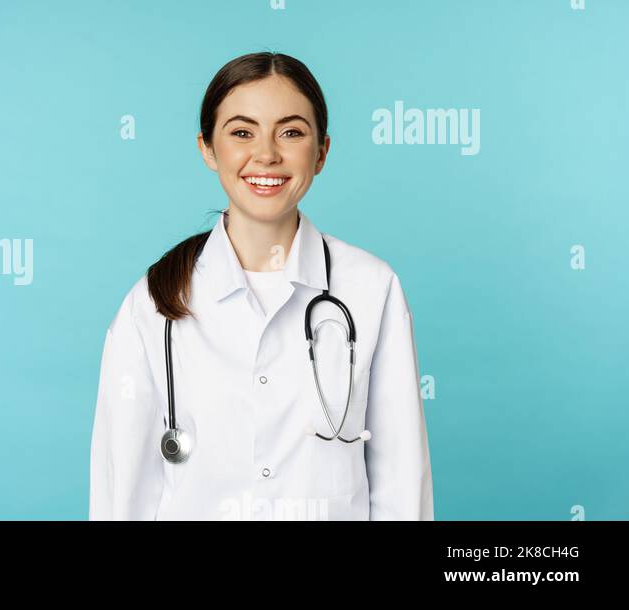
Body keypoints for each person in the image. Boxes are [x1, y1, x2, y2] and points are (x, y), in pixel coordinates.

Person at [88, 52, 433, 521]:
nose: (267, 154)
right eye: (242, 132)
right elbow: (120, 492)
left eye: (291, 132)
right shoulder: (152, 304)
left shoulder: (371, 289)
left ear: (322, 151)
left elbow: (400, 482)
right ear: (207, 148)